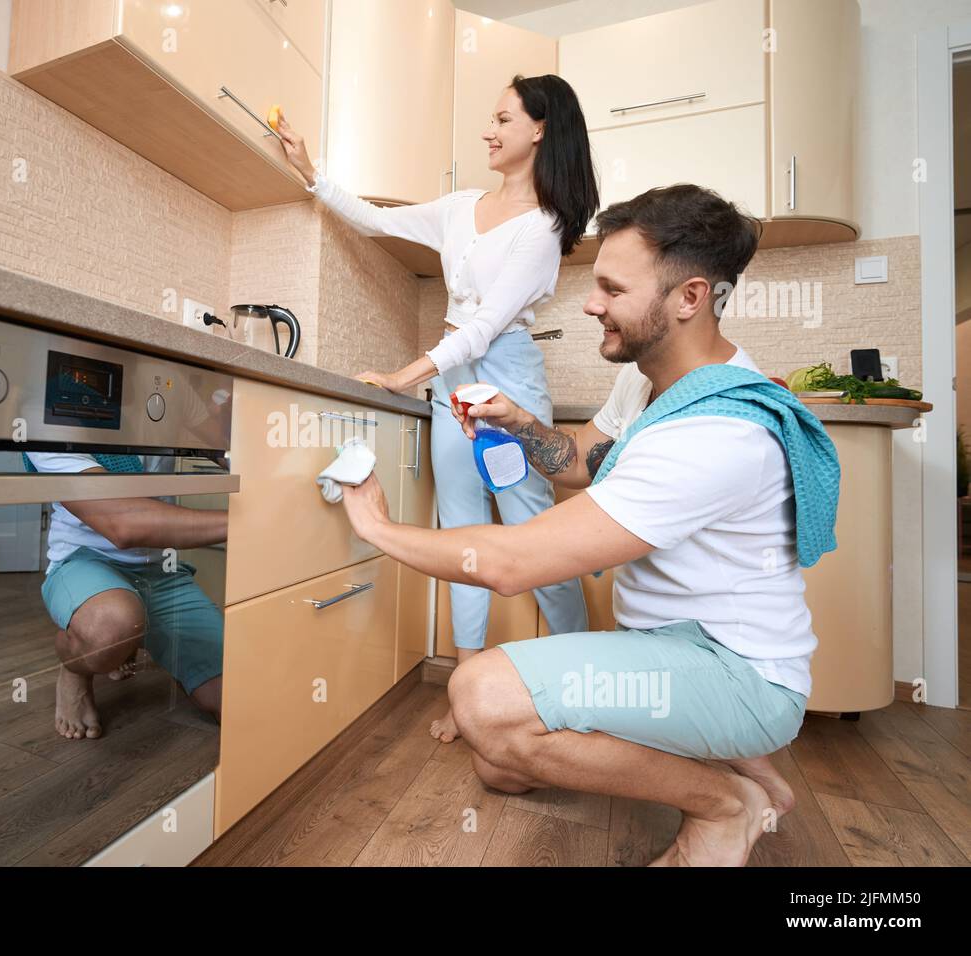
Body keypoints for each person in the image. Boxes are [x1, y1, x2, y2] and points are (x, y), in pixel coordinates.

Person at [337, 184, 841, 866]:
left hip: (734, 673)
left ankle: (724, 805)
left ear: (690, 298)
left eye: (611, 288)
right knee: (500, 765)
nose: (590, 302)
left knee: (483, 697)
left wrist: (377, 528)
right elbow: (579, 461)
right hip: (673, 651)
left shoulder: (716, 429)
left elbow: (512, 565)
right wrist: (516, 421)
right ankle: (740, 767)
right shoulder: (652, 379)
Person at [274, 75, 599, 742]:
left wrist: (405, 374)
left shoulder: (541, 230)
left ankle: (588, 686)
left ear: (539, 129)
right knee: (461, 539)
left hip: (503, 383)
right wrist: (311, 175)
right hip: (454, 382)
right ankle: (467, 692)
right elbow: (379, 219)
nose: (489, 128)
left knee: (535, 544)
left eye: (502, 117)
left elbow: (480, 330)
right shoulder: (459, 208)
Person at [25, 452, 227, 740]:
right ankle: (75, 665)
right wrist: (252, 521)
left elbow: (230, 438)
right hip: (85, 561)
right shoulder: (48, 417)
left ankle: (135, 633)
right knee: (112, 623)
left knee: (237, 700)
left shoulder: (171, 412)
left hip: (159, 571)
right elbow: (123, 523)